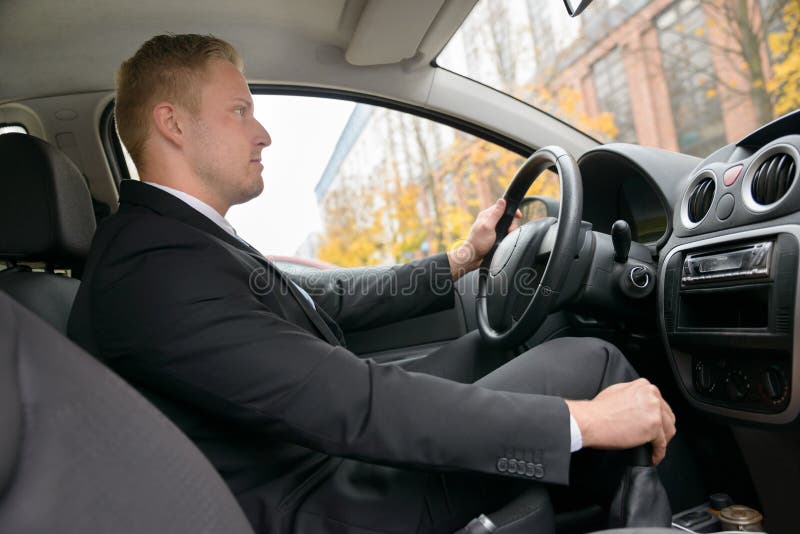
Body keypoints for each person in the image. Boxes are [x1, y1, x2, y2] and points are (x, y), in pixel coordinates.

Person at [68, 34, 676, 533]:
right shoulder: (151, 270)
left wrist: (463, 259)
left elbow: (328, 300)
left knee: (510, 343)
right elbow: (350, 403)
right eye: (239, 110)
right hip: (322, 500)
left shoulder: (180, 240)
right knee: (591, 364)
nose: (262, 133)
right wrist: (579, 423)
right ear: (172, 123)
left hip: (314, 456)